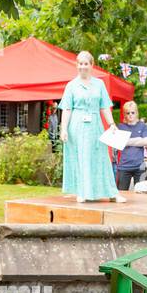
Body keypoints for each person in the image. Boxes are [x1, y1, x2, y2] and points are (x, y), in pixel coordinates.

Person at [58, 52, 124, 203]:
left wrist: (112, 124)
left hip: (95, 125)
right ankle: (82, 192)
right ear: (77, 65)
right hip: (77, 125)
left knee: (101, 158)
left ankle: (112, 193)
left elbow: (105, 106)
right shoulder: (71, 85)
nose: (83, 67)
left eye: (86, 63)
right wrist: (64, 129)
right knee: (81, 157)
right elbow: (67, 109)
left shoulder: (99, 84)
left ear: (91, 65)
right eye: (80, 64)